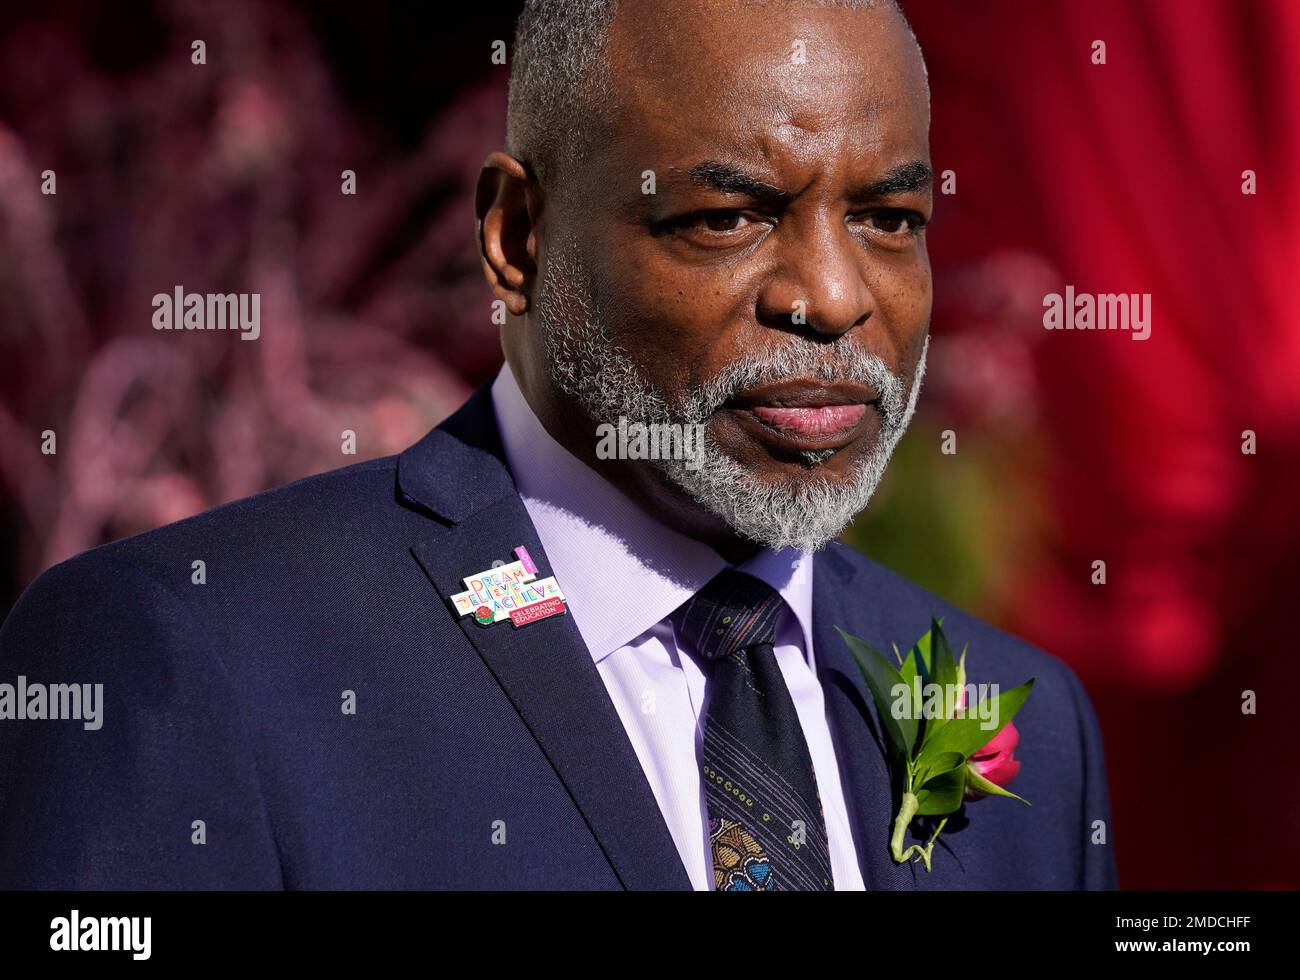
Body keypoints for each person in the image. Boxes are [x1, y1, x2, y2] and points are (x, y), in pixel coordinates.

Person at [0, 0, 1116, 890]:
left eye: (888, 220)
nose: (831, 295)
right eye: (726, 217)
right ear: (517, 237)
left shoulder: (1015, 718)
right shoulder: (193, 657)